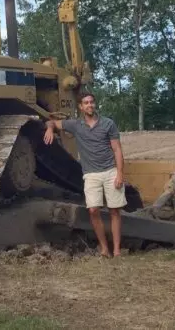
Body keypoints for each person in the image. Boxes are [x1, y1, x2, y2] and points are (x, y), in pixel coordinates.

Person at [43, 92, 126, 257]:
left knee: (114, 210)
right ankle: (104, 248)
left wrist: (120, 174)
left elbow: (117, 149)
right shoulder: (76, 125)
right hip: (91, 174)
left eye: (92, 102)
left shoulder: (108, 124)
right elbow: (50, 121)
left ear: (95, 105)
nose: (90, 105)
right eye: (86, 103)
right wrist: (50, 129)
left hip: (110, 171)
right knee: (93, 210)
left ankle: (116, 250)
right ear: (81, 107)